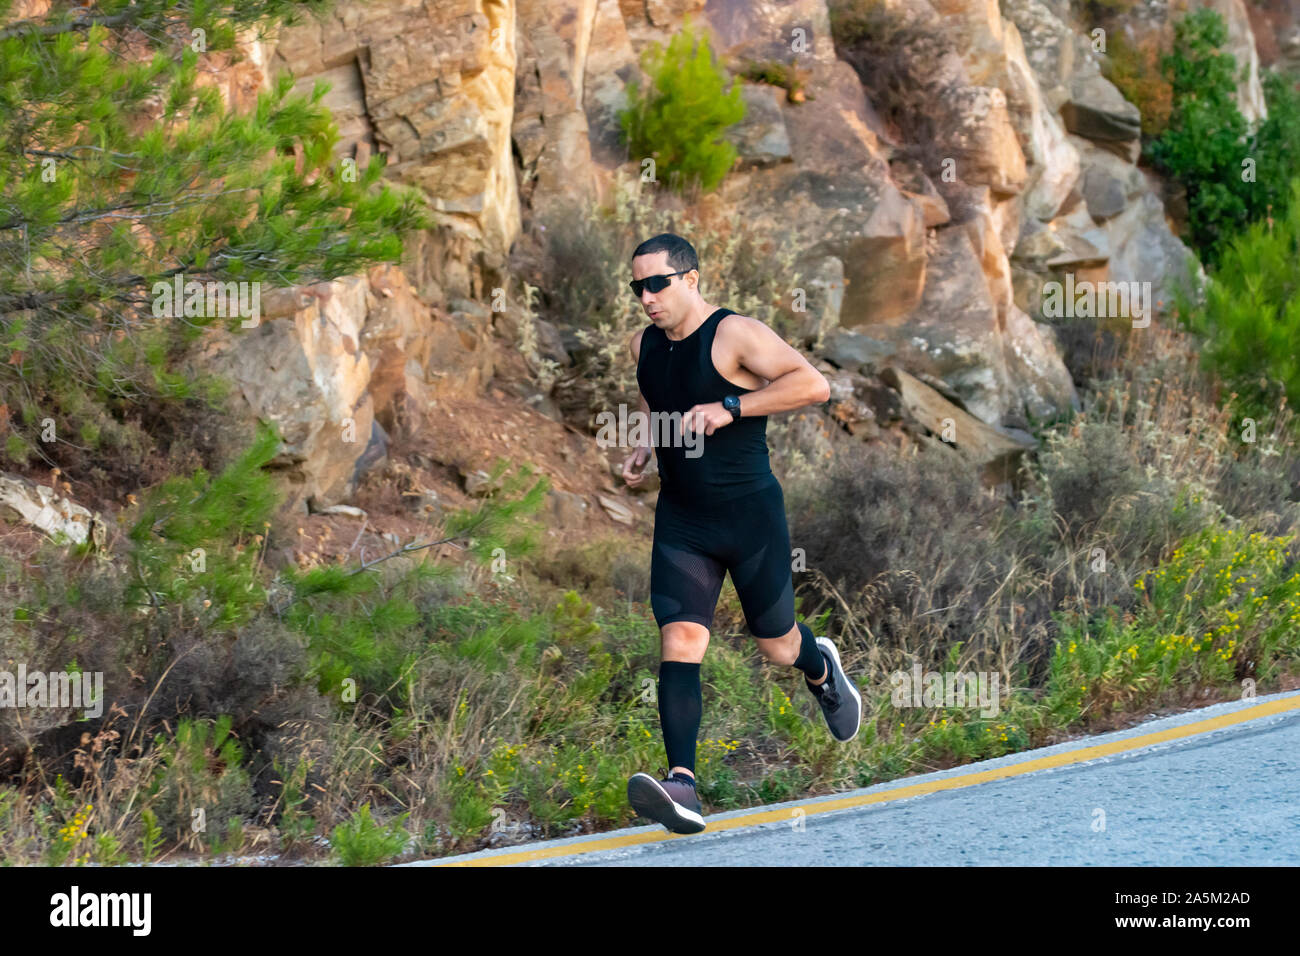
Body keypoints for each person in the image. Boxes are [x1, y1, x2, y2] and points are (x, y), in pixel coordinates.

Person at [621, 232, 862, 835]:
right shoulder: (642, 346)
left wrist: (731, 405)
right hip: (682, 520)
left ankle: (822, 669)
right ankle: (683, 785)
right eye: (637, 287)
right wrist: (647, 448)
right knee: (679, 639)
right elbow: (658, 404)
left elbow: (812, 384)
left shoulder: (734, 335)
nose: (647, 297)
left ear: (691, 279)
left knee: (777, 645)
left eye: (658, 283)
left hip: (748, 516)